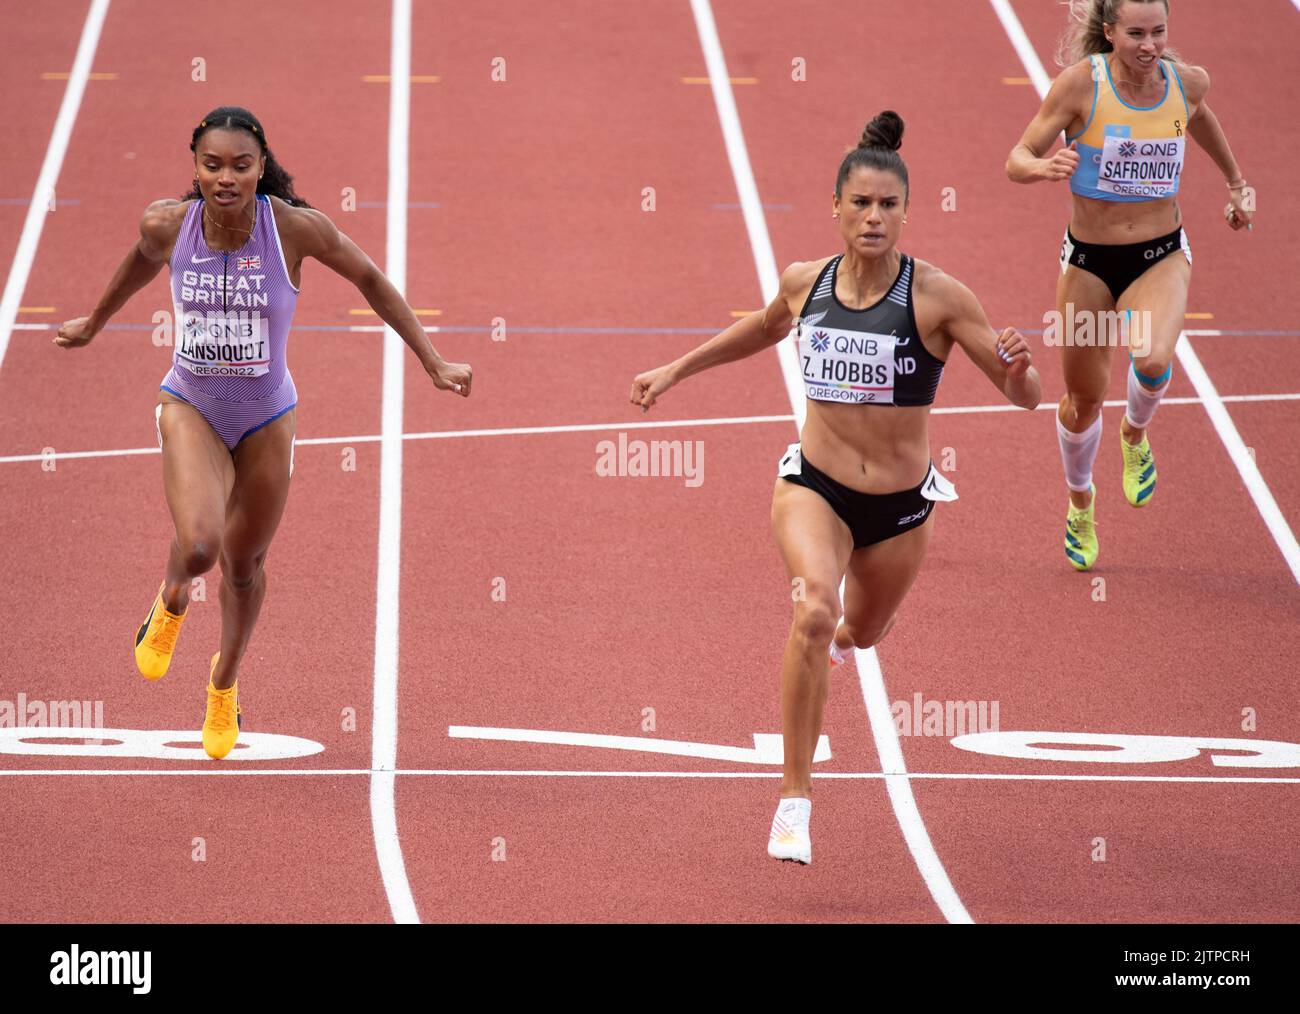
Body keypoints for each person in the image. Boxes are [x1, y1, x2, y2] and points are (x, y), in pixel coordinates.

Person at [630, 112, 1041, 864]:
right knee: (814, 612)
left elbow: (1028, 398)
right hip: (814, 488)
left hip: (902, 509)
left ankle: (845, 647)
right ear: (837, 207)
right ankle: (795, 797)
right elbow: (761, 327)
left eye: (888, 206)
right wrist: (675, 369)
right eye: (861, 204)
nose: (874, 217)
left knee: (863, 631)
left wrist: (1021, 368)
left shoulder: (940, 299)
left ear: (907, 213)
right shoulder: (805, 281)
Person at [55, 106, 472, 758]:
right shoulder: (168, 223)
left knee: (244, 567)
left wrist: (433, 358)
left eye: (240, 165)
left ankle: (224, 683)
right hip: (191, 402)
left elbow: (370, 278)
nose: (225, 177)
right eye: (212, 164)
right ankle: (169, 603)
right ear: (195, 166)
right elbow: (139, 262)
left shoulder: (293, 231)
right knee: (199, 548)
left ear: (259, 168)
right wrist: (93, 322)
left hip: (268, 417)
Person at [1005, 0, 1252, 570]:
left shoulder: (1185, 83)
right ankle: (1080, 501)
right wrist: (1040, 167)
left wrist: (1237, 183)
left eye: (1159, 31)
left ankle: (1135, 435)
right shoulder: (1079, 88)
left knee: (1153, 357)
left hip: (1159, 255)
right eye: (1136, 33)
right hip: (1089, 264)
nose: (1149, 44)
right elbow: (1015, 158)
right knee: (1081, 402)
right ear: (1110, 32)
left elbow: (1199, 115)